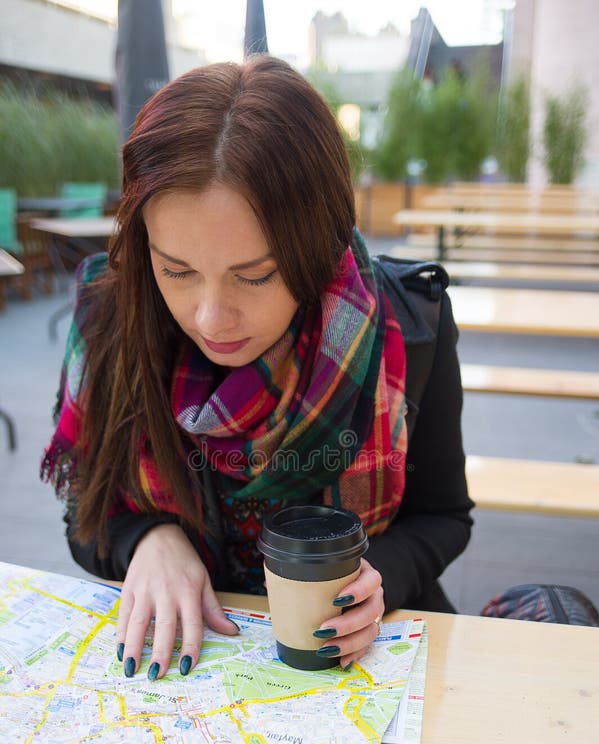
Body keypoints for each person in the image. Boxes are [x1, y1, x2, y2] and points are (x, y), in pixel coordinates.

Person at [41, 56, 473, 681]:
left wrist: (379, 580)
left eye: (256, 275)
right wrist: (146, 541)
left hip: (368, 664)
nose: (212, 317)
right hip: (185, 679)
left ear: (320, 245)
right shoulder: (111, 319)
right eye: (177, 271)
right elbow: (85, 511)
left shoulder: (411, 324)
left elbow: (444, 516)